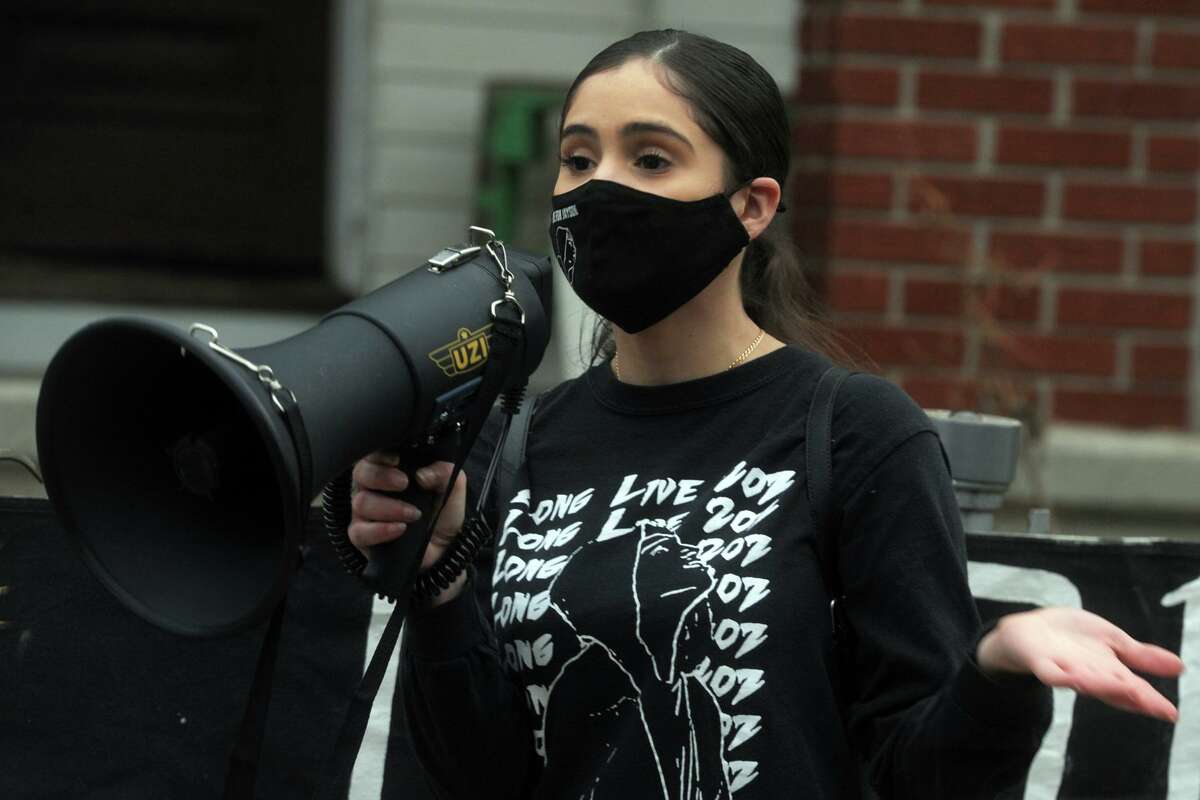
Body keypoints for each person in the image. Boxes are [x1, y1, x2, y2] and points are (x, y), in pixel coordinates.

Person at [348, 29, 1184, 799]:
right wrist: (440, 582)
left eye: (650, 158)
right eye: (578, 158)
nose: (600, 187)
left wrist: (996, 671)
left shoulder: (856, 432)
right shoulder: (523, 440)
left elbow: (918, 772)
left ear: (751, 206)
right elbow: (479, 777)